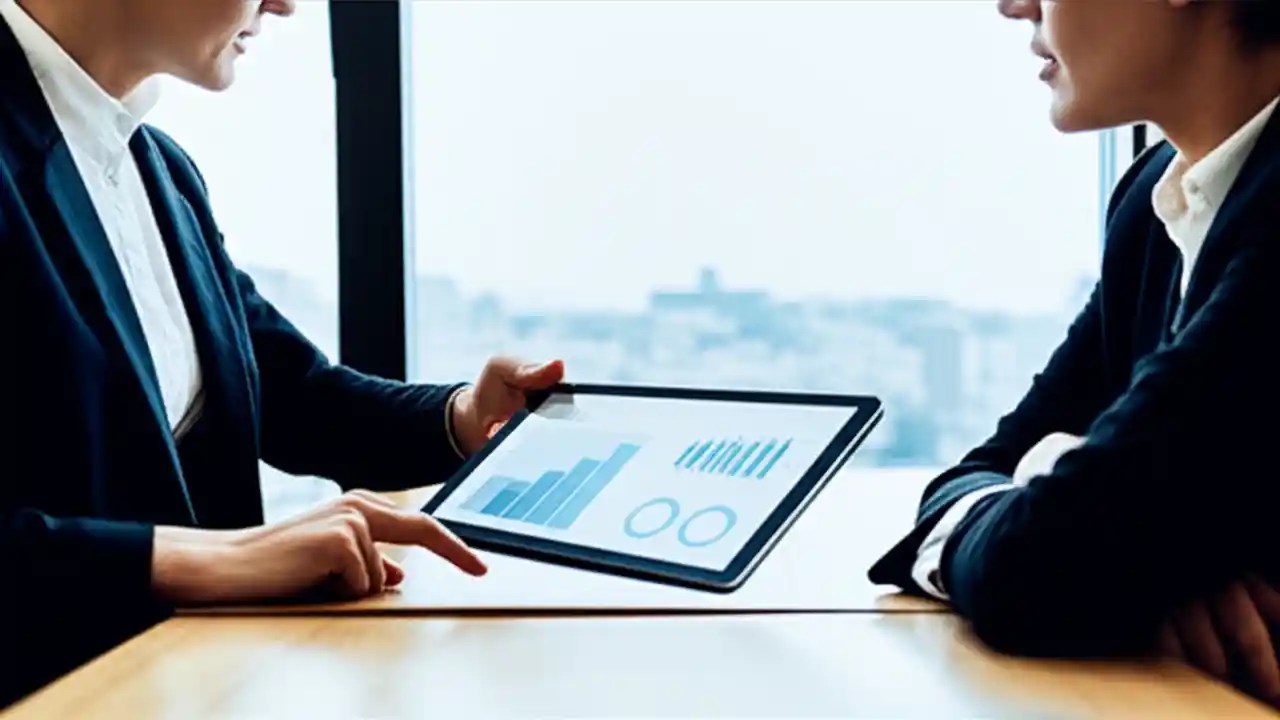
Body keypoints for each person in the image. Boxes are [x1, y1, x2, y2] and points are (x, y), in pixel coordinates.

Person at [0, 0, 565, 706]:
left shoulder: (154, 168)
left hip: (180, 683)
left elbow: (290, 393)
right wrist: (205, 560)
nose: (286, 3)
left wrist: (463, 416)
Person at [869, 0, 1280, 707]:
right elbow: (977, 482)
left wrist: (1091, 529)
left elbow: (1042, 566)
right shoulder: (1154, 211)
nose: (1012, 5)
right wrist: (1064, 487)